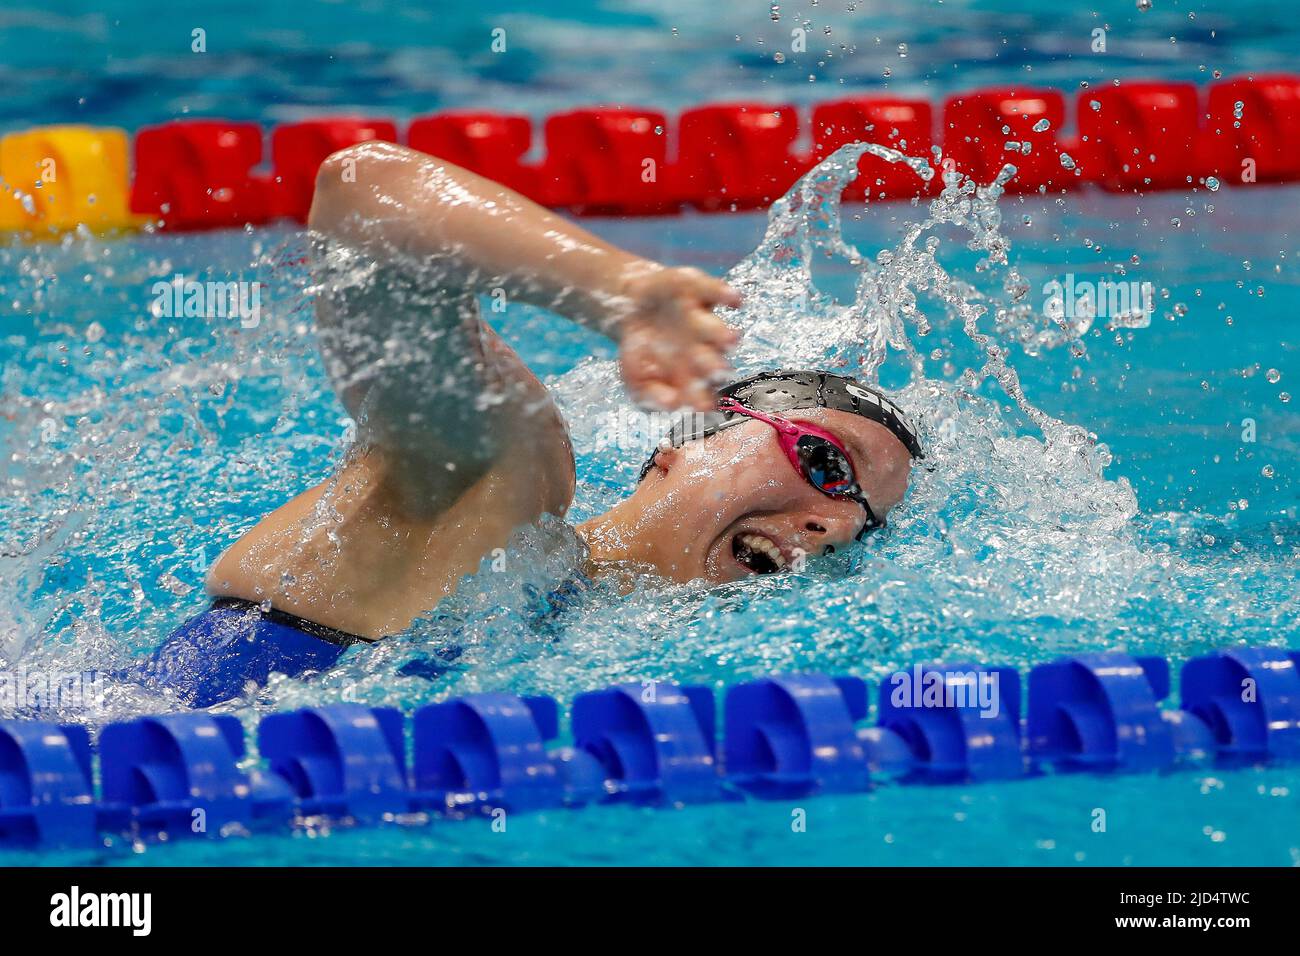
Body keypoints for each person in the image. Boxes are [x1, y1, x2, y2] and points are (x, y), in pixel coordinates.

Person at [144, 142, 923, 707]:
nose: (832, 524)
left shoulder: (611, 658)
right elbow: (364, 194)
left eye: (863, 520)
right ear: (689, 435)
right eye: (826, 464)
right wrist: (617, 292)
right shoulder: (498, 498)